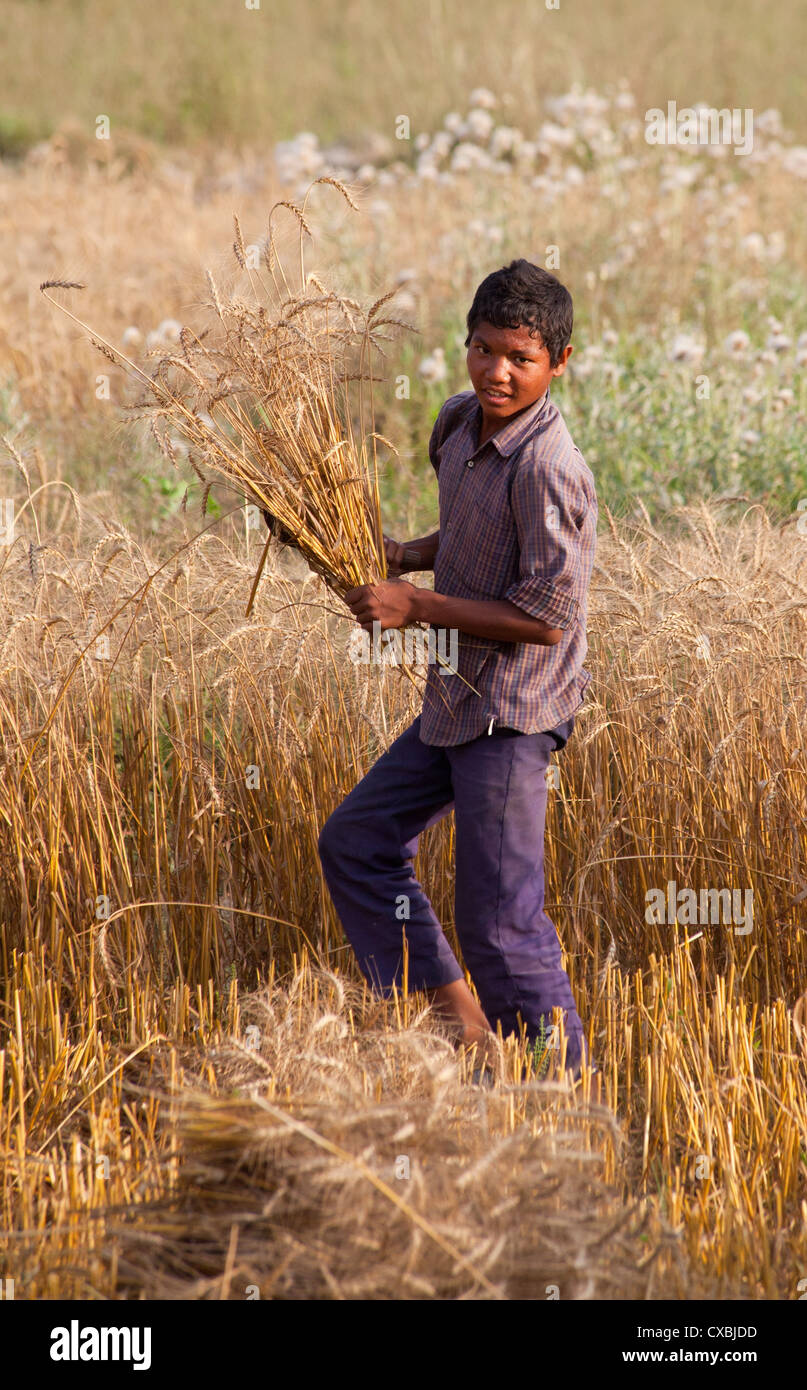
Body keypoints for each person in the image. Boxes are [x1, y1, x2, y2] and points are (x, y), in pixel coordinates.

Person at [317, 259, 599, 1086]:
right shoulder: (455, 422)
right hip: (456, 695)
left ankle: (560, 1093)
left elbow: (547, 618)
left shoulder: (549, 467)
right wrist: (402, 555)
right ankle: (469, 1039)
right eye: (483, 349)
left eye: (520, 357)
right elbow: (468, 531)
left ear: (559, 363)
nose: (497, 372)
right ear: (465, 343)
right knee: (358, 841)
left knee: (501, 926)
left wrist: (418, 606)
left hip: (511, 712)